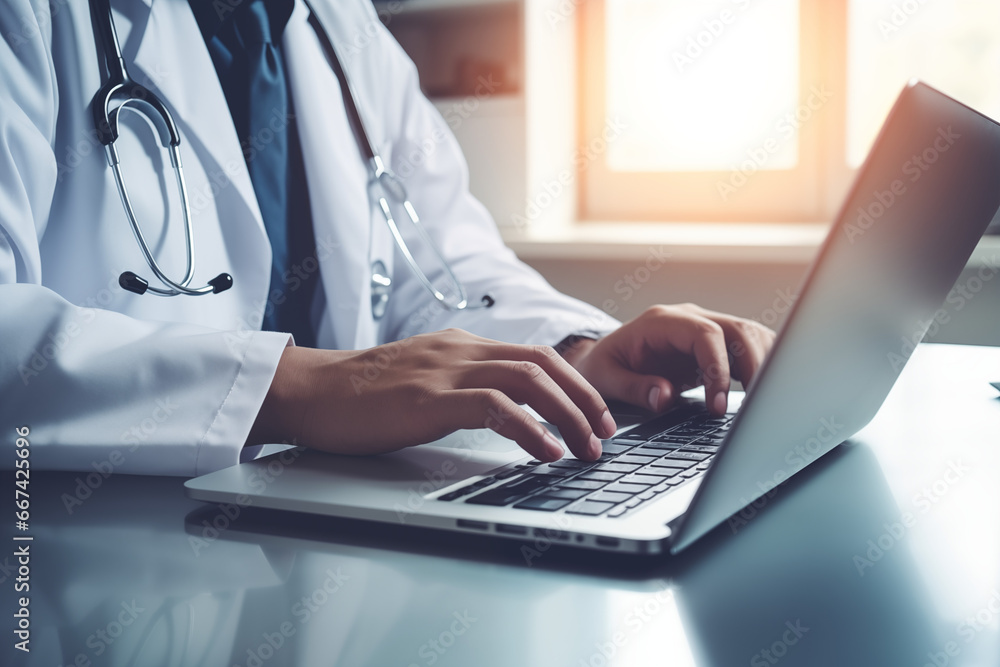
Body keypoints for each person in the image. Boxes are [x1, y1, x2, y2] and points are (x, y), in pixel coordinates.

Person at [0, 0, 774, 477]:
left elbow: (441, 266)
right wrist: (300, 386)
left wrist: (575, 354)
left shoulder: (339, 25)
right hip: (90, 559)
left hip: (329, 539)